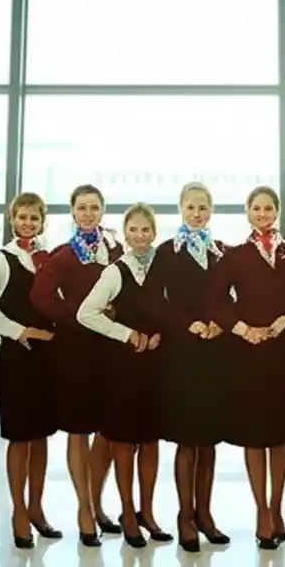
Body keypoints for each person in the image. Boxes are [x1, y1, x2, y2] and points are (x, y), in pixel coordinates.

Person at [207, 185, 285, 550]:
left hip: (283, 352)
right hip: (246, 352)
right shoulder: (235, 256)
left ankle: (277, 507)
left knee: (279, 434)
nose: (263, 214)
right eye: (256, 208)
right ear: (248, 212)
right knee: (253, 435)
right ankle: (260, 509)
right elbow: (214, 300)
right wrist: (243, 329)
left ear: (277, 211)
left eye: (268, 208)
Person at [30, 184, 123, 545]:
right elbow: (40, 296)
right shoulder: (64, 254)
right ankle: (84, 510)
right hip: (75, 350)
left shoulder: (114, 249)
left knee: (108, 430)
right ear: (72, 212)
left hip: (109, 348)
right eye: (82, 208)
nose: (88, 213)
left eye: (94, 208)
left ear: (102, 211)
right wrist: (78, 315)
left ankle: (97, 503)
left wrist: (115, 312)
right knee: (79, 429)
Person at [78, 203, 172, 549]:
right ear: (125, 232)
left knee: (150, 441)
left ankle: (147, 512)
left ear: (155, 232)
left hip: (154, 366)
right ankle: (128, 512)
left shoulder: (163, 267)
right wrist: (126, 333)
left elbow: (169, 309)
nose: (140, 235)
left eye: (145, 229)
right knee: (122, 442)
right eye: (133, 229)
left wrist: (161, 332)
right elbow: (85, 313)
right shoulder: (116, 271)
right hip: (122, 369)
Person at [147, 182, 231, 552]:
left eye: (203, 208)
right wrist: (188, 324)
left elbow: (232, 298)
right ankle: (184, 514)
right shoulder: (167, 252)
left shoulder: (221, 252)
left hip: (214, 352)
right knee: (186, 439)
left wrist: (220, 323)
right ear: (180, 209)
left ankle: (205, 513)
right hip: (181, 352)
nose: (196, 213)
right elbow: (154, 303)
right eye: (191, 207)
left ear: (211, 211)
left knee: (209, 439)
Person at [0, 192, 58, 548]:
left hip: (46, 359)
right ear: (12, 220)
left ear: (42, 222)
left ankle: (37, 507)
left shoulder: (48, 258)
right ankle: (18, 511)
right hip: (17, 359)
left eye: (33, 219)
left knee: (41, 436)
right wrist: (22, 332)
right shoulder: (1, 260)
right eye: (22, 217)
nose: (27, 223)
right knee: (20, 436)